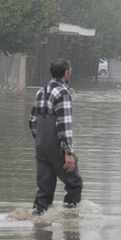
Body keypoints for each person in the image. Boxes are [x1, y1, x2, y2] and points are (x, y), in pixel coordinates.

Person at [29, 58, 83, 216]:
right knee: (74, 185)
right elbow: (64, 124)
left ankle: (38, 219)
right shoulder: (63, 93)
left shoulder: (40, 92)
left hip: (41, 147)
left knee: (44, 190)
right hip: (57, 148)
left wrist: (40, 141)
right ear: (66, 73)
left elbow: (32, 121)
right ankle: (69, 218)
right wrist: (68, 152)